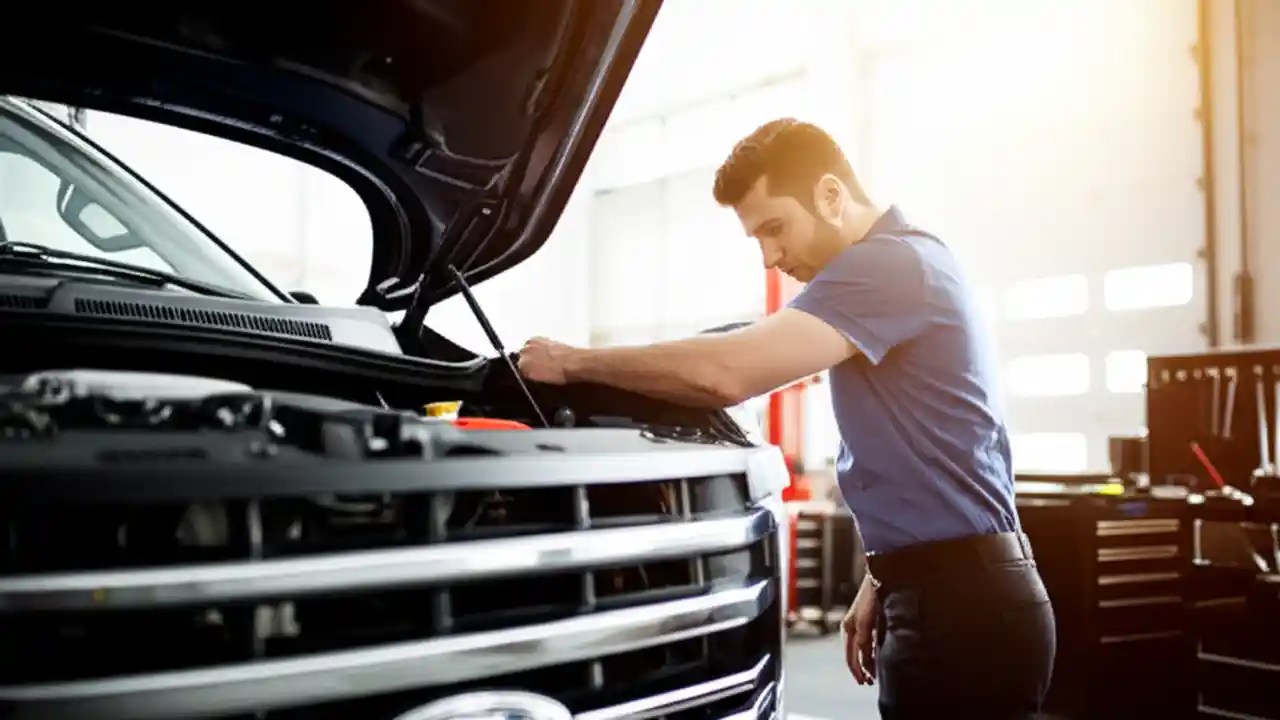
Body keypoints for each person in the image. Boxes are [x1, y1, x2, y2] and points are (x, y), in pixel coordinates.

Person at [516, 118, 1056, 718]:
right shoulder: (903, 269)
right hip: (948, 594)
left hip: (965, 612)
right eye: (758, 240)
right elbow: (937, 461)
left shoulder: (890, 265)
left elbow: (727, 372)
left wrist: (570, 362)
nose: (771, 256)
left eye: (775, 228)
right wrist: (881, 578)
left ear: (830, 196)